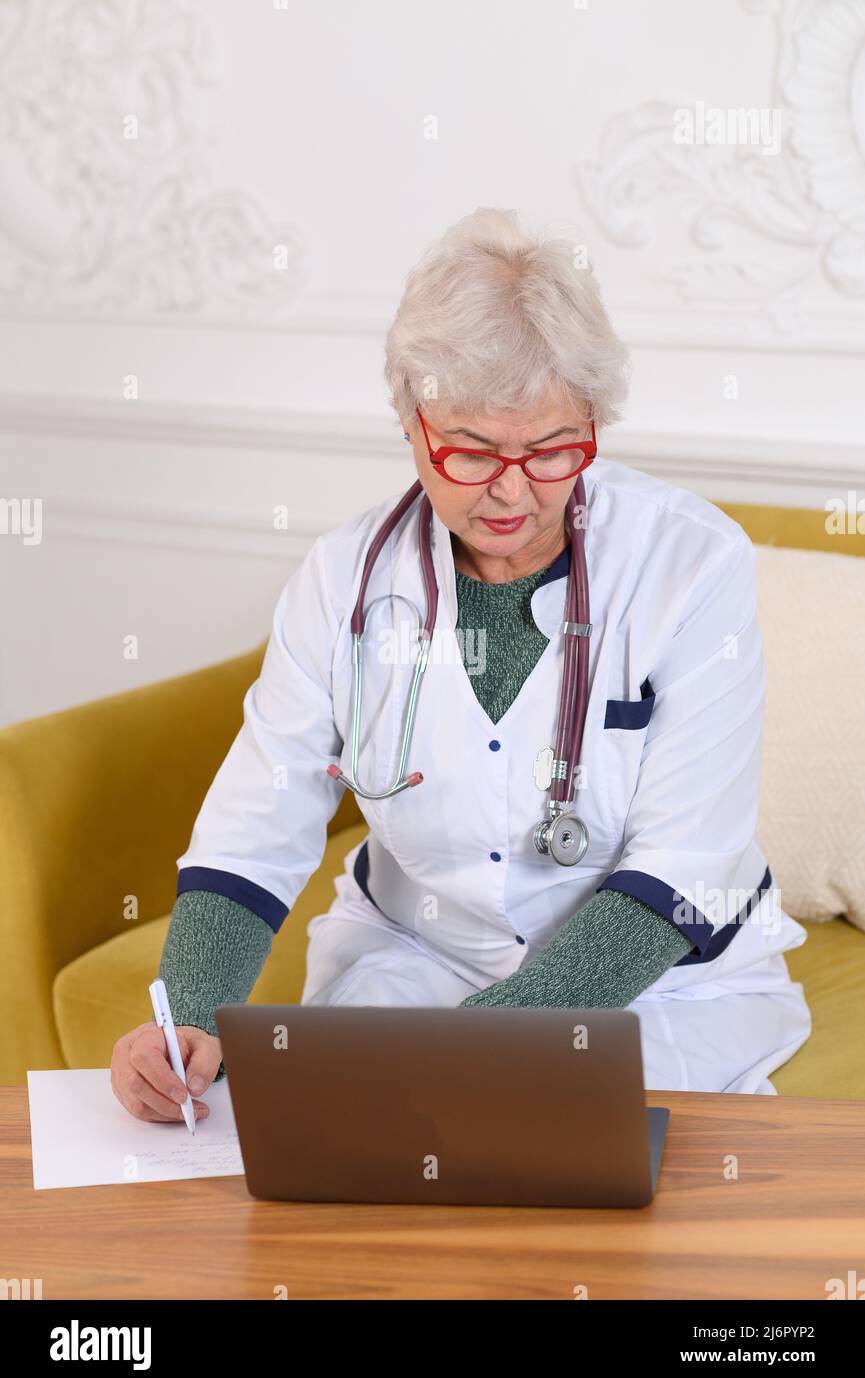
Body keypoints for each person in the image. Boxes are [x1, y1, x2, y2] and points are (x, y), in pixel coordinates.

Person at [110, 207, 811, 1124]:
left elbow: (686, 864)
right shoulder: (342, 581)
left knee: (562, 1150)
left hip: (666, 983)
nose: (513, 490)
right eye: (472, 452)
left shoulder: (691, 565)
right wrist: (188, 1021)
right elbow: (256, 827)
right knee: (328, 1144)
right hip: (415, 952)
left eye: (551, 449)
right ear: (411, 422)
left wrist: (490, 1045)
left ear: (592, 419)